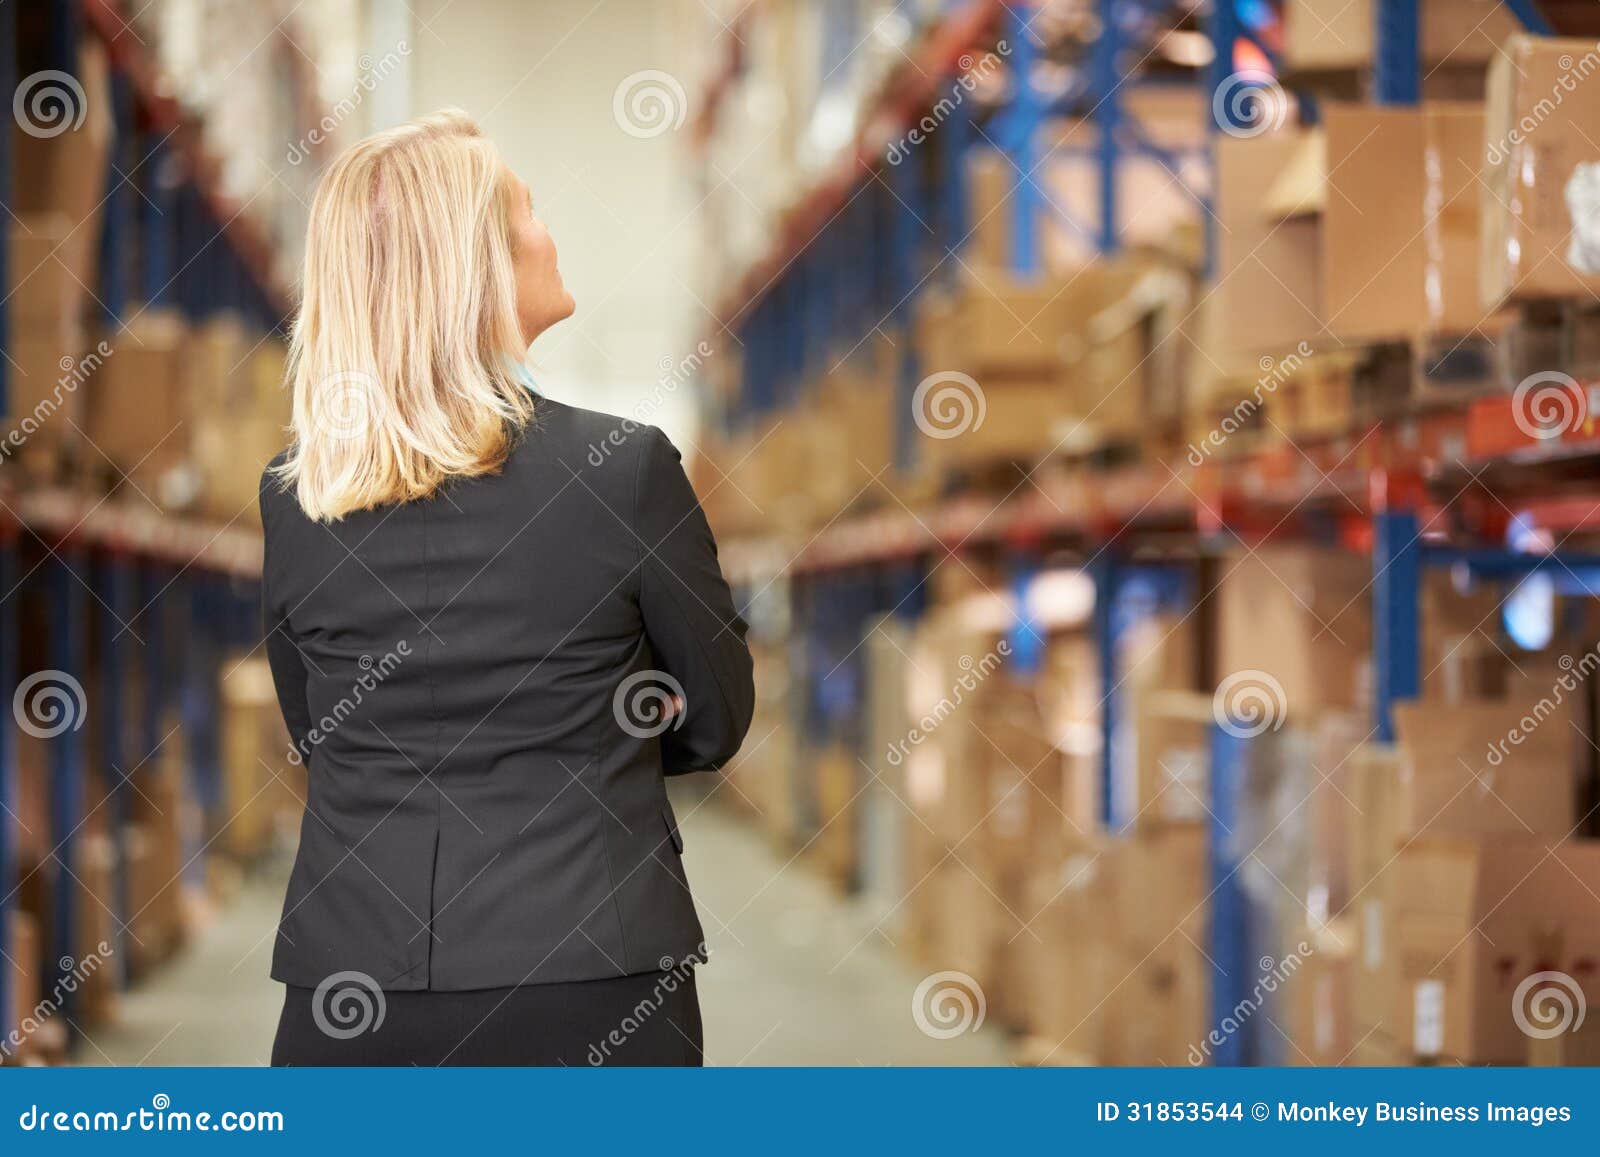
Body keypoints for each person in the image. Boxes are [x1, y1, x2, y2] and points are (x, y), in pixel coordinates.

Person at [259, 110, 754, 1066]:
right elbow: (715, 717)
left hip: (354, 995)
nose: (549, 232)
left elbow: (316, 728)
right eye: (527, 211)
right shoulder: (623, 470)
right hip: (592, 985)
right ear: (475, 263)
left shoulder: (299, 498)